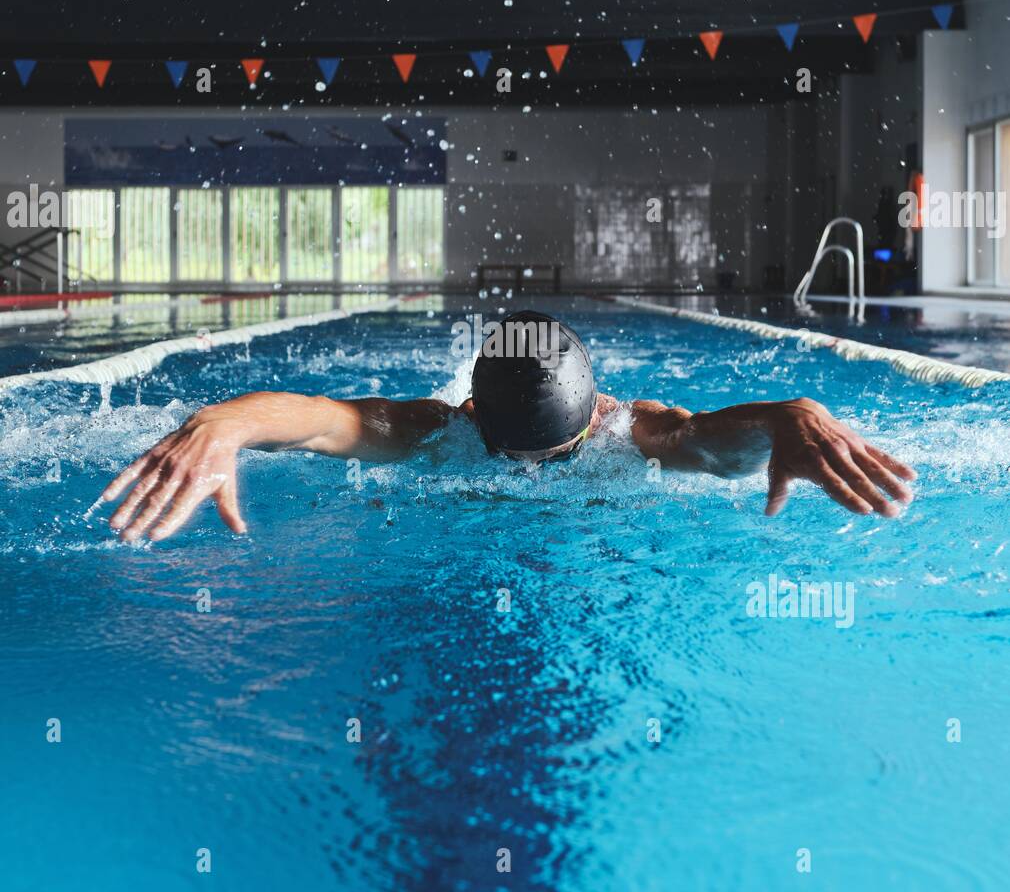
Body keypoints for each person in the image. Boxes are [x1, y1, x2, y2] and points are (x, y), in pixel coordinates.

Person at [101, 310, 915, 543]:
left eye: (555, 458)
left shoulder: (625, 427)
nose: (535, 474)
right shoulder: (434, 429)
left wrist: (788, 419)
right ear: (469, 415)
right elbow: (322, 420)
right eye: (511, 456)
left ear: (596, 416)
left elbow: (704, 442)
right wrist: (222, 424)